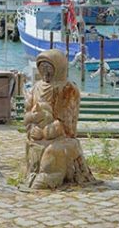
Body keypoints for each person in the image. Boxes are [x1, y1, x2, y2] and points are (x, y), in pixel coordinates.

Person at [23, 49, 95, 189]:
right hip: (39, 132)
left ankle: (50, 176)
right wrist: (31, 127)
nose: (45, 71)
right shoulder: (36, 88)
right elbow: (27, 116)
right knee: (33, 144)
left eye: (49, 67)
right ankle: (32, 173)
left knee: (53, 150)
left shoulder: (68, 89)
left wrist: (47, 132)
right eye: (42, 67)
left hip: (60, 136)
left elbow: (67, 123)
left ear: (58, 68)